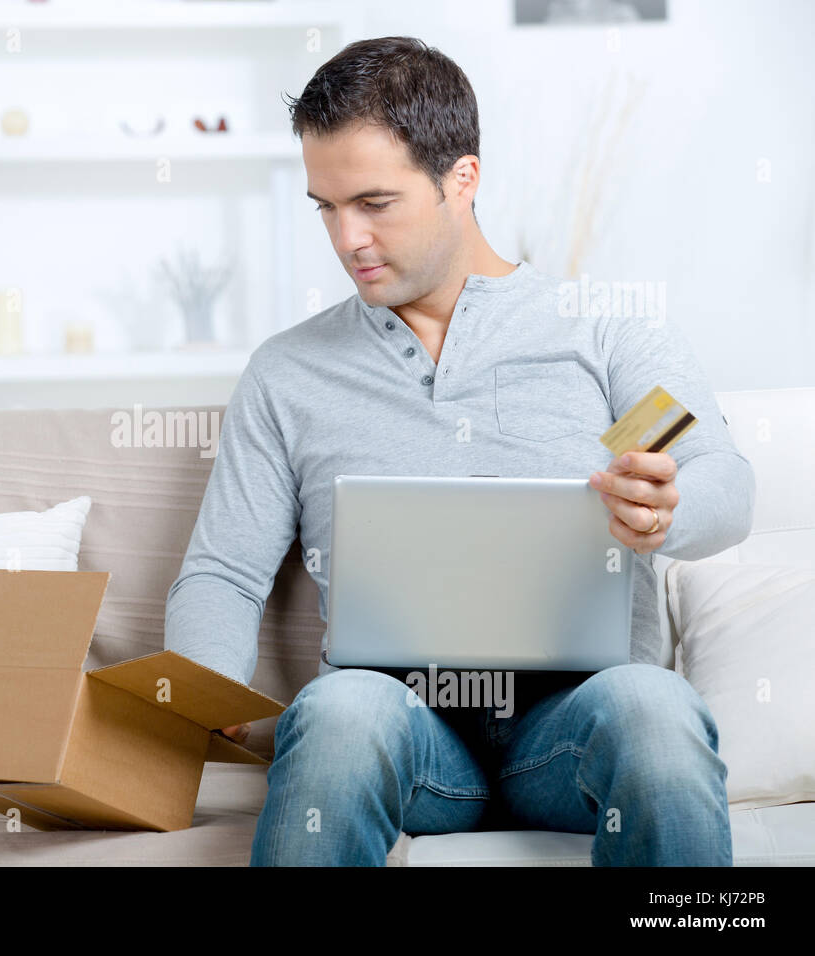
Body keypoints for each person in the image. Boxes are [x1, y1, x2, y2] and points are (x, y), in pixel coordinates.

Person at [163, 36, 755, 866]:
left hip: (575, 726)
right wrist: (199, 687)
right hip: (402, 732)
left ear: (461, 179)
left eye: (374, 202)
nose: (347, 239)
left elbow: (718, 477)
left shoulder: (601, 335)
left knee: (655, 707)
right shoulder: (289, 373)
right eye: (325, 207)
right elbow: (224, 572)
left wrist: (668, 506)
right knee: (338, 713)